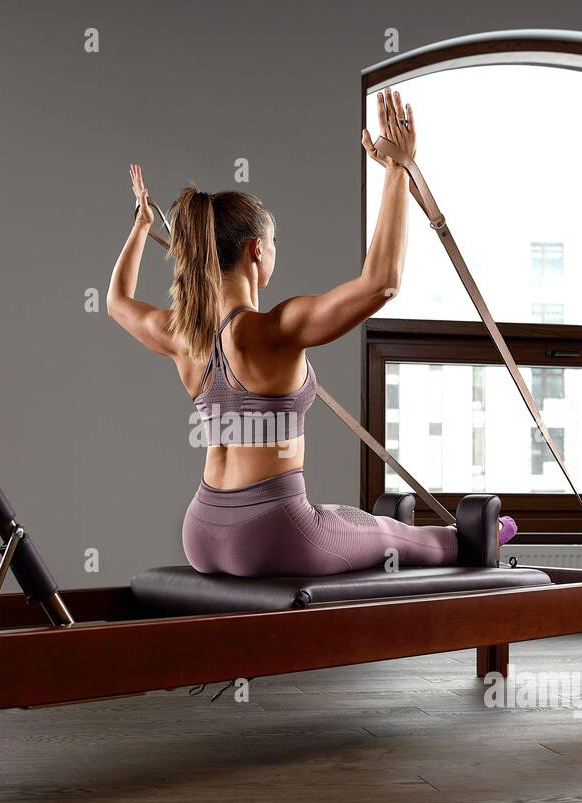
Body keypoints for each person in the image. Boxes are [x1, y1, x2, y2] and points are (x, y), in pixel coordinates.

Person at [106, 88, 515, 577]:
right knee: (385, 534)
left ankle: (386, 532)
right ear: (257, 251)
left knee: (349, 520)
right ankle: (472, 538)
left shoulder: (182, 334)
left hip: (201, 530)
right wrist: (397, 170)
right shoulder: (273, 328)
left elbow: (116, 302)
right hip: (269, 534)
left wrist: (139, 227)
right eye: (274, 242)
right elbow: (381, 284)